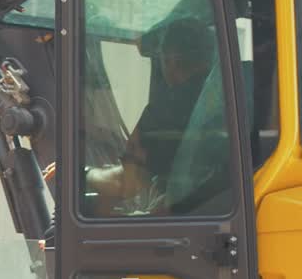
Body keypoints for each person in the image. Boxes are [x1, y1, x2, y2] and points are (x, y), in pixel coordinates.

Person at [87, 17, 216, 214]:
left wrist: (85, 175)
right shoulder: (226, 100)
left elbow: (124, 184)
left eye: (161, 58)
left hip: (185, 225)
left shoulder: (164, 111)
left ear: (170, 60)